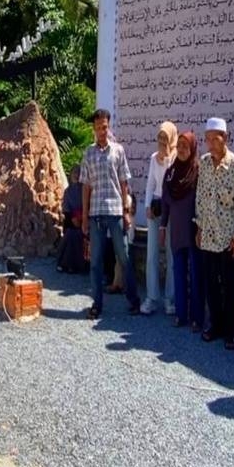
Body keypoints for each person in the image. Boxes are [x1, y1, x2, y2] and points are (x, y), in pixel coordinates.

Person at [81, 109, 139, 319]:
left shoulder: (118, 151)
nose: (101, 131)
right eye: (97, 128)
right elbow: (86, 186)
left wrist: (126, 211)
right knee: (95, 262)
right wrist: (85, 217)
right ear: (93, 129)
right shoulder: (88, 153)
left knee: (123, 258)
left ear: (109, 126)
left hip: (115, 212)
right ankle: (97, 305)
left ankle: (133, 300)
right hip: (96, 213)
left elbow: (124, 183)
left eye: (104, 127)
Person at [195, 117, 234, 349]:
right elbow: (200, 197)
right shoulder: (204, 163)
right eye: (207, 140)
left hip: (227, 237)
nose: (210, 144)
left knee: (230, 285)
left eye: (214, 140)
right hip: (208, 235)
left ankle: (230, 331)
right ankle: (214, 325)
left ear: (224, 138)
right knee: (211, 285)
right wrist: (199, 227)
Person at [159, 131, 201, 329]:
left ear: (192, 148)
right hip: (176, 232)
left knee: (195, 274)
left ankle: (197, 317)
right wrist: (162, 226)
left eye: (186, 146)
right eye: (180, 146)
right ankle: (181, 314)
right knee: (178, 273)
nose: (182, 150)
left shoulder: (198, 171)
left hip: (194, 232)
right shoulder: (171, 173)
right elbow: (165, 203)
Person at [142, 122, 177, 315]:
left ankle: (169, 299)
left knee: (171, 254)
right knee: (152, 254)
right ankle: (152, 297)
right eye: (160, 137)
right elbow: (150, 184)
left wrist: (167, 160)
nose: (162, 141)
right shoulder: (154, 159)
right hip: (155, 207)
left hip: (170, 208)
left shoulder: (174, 159)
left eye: (165, 137)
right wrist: (147, 206)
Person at [57, 165, 88, 274]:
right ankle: (67, 264)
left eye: (78, 173)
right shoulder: (68, 191)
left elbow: (87, 205)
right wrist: (73, 219)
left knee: (76, 235)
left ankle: (74, 265)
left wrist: (82, 219)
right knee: (70, 234)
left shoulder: (84, 189)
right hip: (71, 221)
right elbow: (66, 209)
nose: (76, 175)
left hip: (84, 220)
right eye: (74, 173)